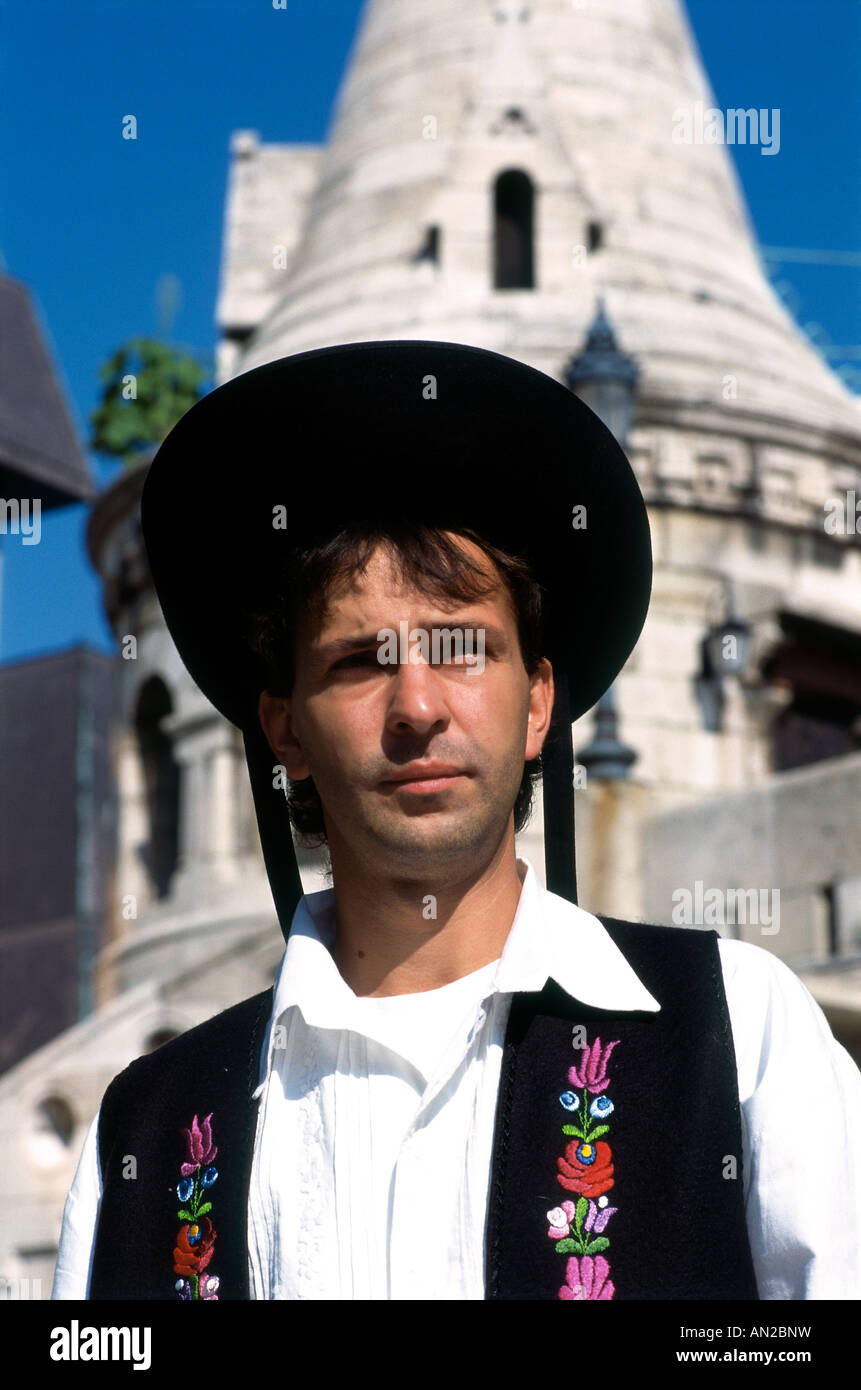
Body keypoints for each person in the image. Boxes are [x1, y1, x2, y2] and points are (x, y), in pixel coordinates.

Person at [53, 340, 861, 1301]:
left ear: (535, 705)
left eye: (464, 651)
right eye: (360, 661)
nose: (418, 707)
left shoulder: (740, 1032)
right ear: (284, 729)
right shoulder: (145, 1129)